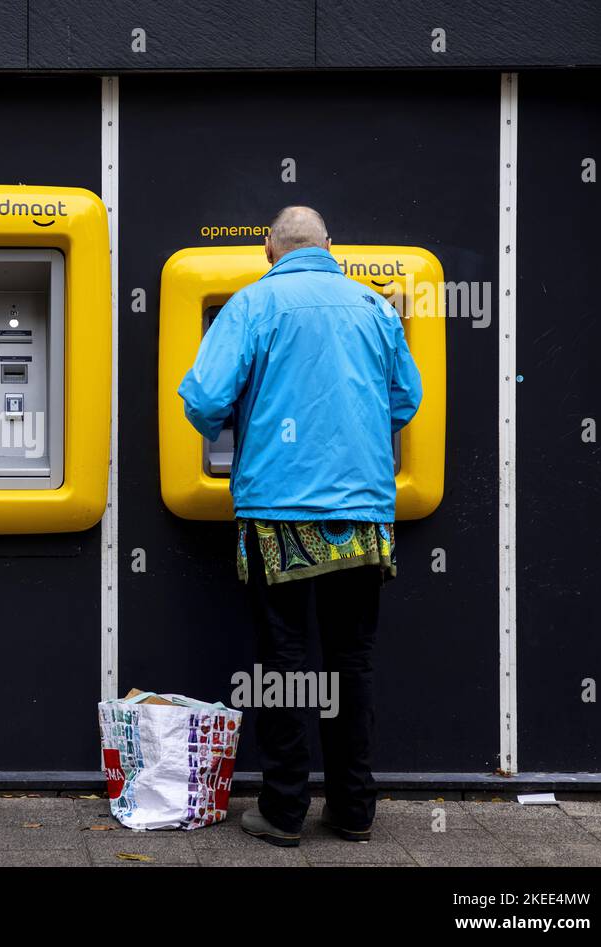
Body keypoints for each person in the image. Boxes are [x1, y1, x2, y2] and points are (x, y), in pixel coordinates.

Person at [177, 206, 423, 847]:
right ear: (330, 247)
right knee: (352, 660)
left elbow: (203, 398)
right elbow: (406, 399)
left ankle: (284, 811)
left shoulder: (253, 305)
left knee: (284, 661)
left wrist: (242, 425)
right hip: (364, 513)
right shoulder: (375, 308)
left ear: (268, 249)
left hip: (278, 511)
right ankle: (353, 810)